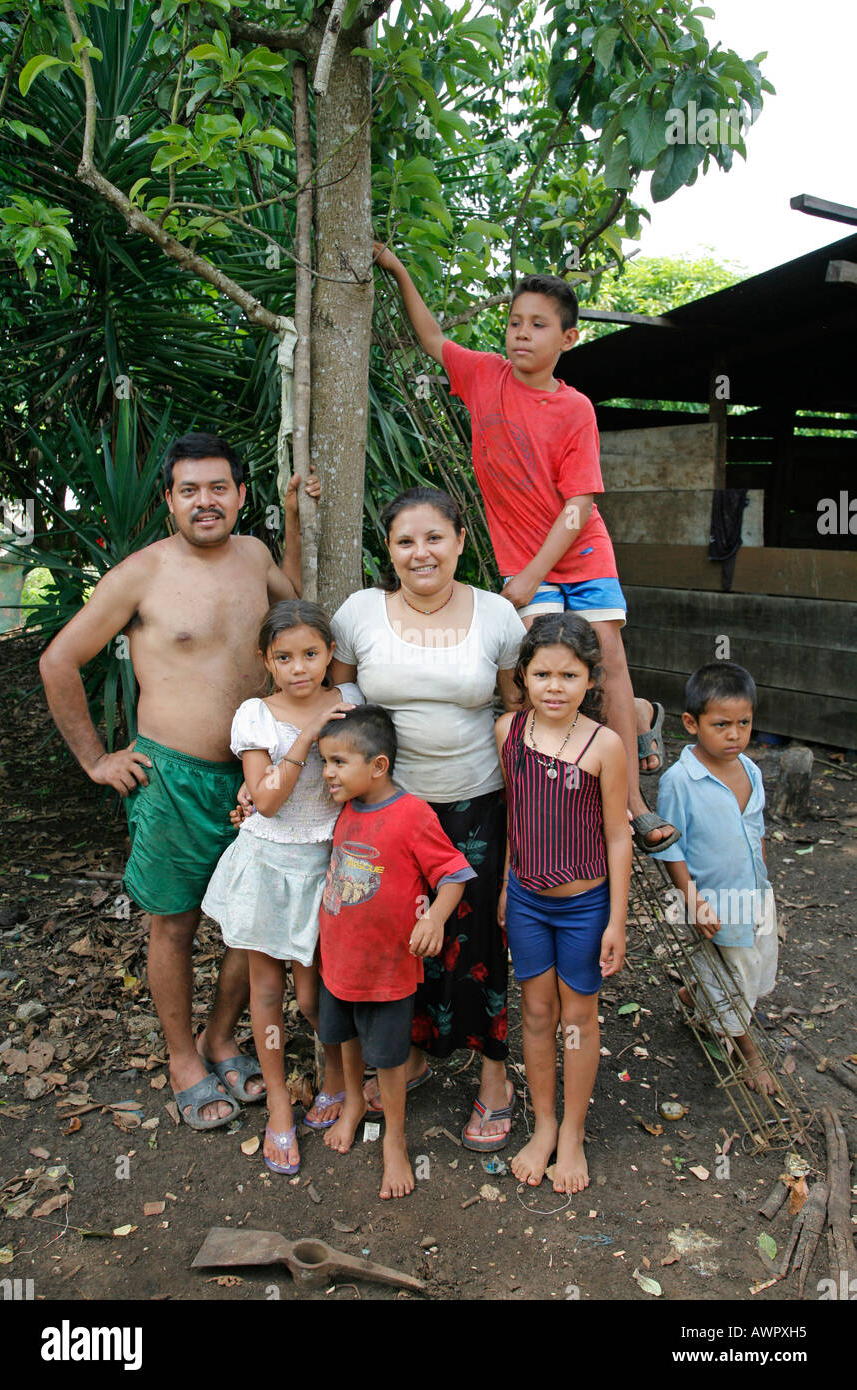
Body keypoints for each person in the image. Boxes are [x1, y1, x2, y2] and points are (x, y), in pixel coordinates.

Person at [38, 432, 325, 1130]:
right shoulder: (140, 574)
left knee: (247, 926)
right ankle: (182, 1059)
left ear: (238, 495)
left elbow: (294, 612)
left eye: (218, 487)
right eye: (190, 489)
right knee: (174, 922)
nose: (206, 501)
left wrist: (291, 519)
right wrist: (97, 759)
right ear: (169, 499)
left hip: (254, 775)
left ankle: (221, 1038)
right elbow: (58, 661)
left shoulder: (254, 556)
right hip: (171, 779)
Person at [373, 244, 678, 853]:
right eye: (515, 321)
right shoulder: (484, 374)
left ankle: (632, 801)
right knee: (544, 672)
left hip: (580, 555)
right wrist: (400, 269)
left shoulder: (574, 409)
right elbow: (432, 336)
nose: (522, 334)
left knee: (607, 658)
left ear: (566, 340)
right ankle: (579, 773)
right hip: (527, 566)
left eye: (539, 325)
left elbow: (579, 507)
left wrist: (530, 576)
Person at [329, 487, 527, 1150]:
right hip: (389, 809)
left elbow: (515, 706)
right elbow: (340, 700)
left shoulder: (497, 615)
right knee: (400, 933)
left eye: (434, 538)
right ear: (389, 549)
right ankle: (409, 1053)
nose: (421, 552)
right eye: (405, 541)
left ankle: (493, 1077)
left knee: (477, 941)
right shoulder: (360, 612)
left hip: (477, 799)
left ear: (461, 541)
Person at [201, 601, 360, 1174]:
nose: (299, 668)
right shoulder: (256, 715)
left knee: (317, 994)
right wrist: (309, 734)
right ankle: (277, 1105)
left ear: (329, 655)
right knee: (266, 993)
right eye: (284, 657)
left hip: (328, 864)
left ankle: (338, 1080)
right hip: (268, 866)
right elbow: (266, 799)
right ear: (266, 660)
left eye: (311, 654)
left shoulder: (352, 706)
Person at [316, 705, 475, 1198]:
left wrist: (434, 919)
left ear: (378, 765)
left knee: (387, 1059)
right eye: (325, 761)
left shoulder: (411, 815)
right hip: (338, 961)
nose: (327, 773)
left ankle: (396, 1143)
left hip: (386, 970)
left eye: (339, 762)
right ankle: (354, 1105)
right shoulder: (347, 807)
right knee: (342, 1039)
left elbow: (453, 873)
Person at [495, 614, 631, 1193]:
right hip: (526, 899)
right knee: (536, 1013)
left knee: (578, 1017)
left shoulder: (606, 745)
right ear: (523, 675)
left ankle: (573, 1131)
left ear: (591, 680)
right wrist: (505, 883)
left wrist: (617, 921)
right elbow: (514, 819)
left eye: (569, 675)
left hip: (584, 906)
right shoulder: (508, 732)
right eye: (542, 673)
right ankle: (544, 1124)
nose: (554, 686)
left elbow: (618, 836)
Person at [652, 662, 778, 1093]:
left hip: (754, 895)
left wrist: (764, 890)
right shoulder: (680, 781)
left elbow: (755, 832)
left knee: (754, 966)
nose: (734, 734)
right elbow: (670, 847)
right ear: (691, 723)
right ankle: (752, 1058)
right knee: (735, 979)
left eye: (744, 723)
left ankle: (692, 997)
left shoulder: (752, 772)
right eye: (721, 724)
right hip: (714, 901)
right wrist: (693, 901)